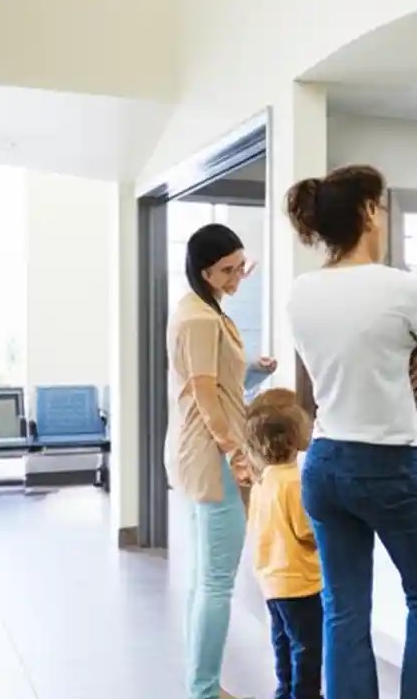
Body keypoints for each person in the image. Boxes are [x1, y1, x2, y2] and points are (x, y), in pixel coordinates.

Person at [285, 164, 417, 699]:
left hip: (325, 463)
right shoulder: (405, 289)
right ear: (364, 212)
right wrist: (399, 371)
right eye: (378, 208)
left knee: (344, 611)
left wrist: (382, 372)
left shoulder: (301, 292)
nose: (381, 219)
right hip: (388, 466)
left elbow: (316, 382)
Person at [167, 223, 277, 699]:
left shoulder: (203, 308)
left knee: (203, 578)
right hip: (213, 456)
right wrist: (235, 452)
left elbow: (219, 383)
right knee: (216, 581)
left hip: (205, 450)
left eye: (240, 266)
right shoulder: (199, 318)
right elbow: (205, 395)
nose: (237, 278)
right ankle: (205, 690)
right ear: (204, 271)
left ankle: (201, 683)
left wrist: (253, 370)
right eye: (227, 271)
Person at [244, 388, 323, 699]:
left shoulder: (263, 482)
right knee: (308, 648)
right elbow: (305, 532)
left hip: (272, 585)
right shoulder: (293, 482)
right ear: (294, 436)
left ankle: (284, 692)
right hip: (300, 586)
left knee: (283, 644)